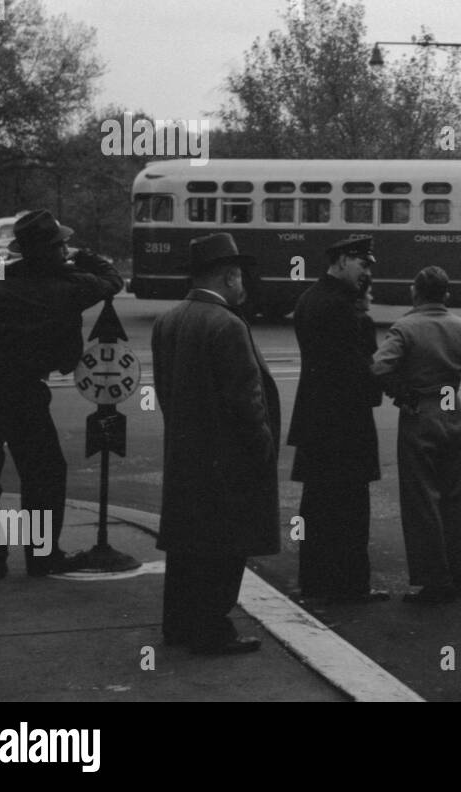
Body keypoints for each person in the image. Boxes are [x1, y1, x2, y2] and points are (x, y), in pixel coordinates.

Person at [0, 210, 122, 579]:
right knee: (43, 473)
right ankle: (41, 556)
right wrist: (86, 256)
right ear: (55, 249)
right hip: (25, 391)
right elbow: (111, 280)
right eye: (61, 245)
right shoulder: (69, 288)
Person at [151, 233, 280, 655]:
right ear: (228, 276)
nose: (243, 284)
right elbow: (246, 400)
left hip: (186, 454)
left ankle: (179, 624)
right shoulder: (227, 324)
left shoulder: (168, 320)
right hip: (228, 460)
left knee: (187, 546)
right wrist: (263, 449)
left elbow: (167, 392)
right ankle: (212, 630)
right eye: (240, 276)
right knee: (224, 549)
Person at [372, 266, 461, 604]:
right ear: (447, 295)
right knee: (454, 495)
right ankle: (460, 574)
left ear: (415, 292)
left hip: (419, 413)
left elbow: (379, 367)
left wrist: (400, 391)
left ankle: (433, 579)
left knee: (422, 499)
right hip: (452, 412)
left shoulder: (405, 328)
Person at [287, 236, 389, 604]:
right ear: (343, 260)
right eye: (363, 264)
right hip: (345, 423)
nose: (367, 273)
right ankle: (350, 585)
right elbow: (362, 368)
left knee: (317, 505)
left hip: (315, 420)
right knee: (350, 508)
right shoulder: (345, 308)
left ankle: (315, 582)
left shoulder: (309, 299)